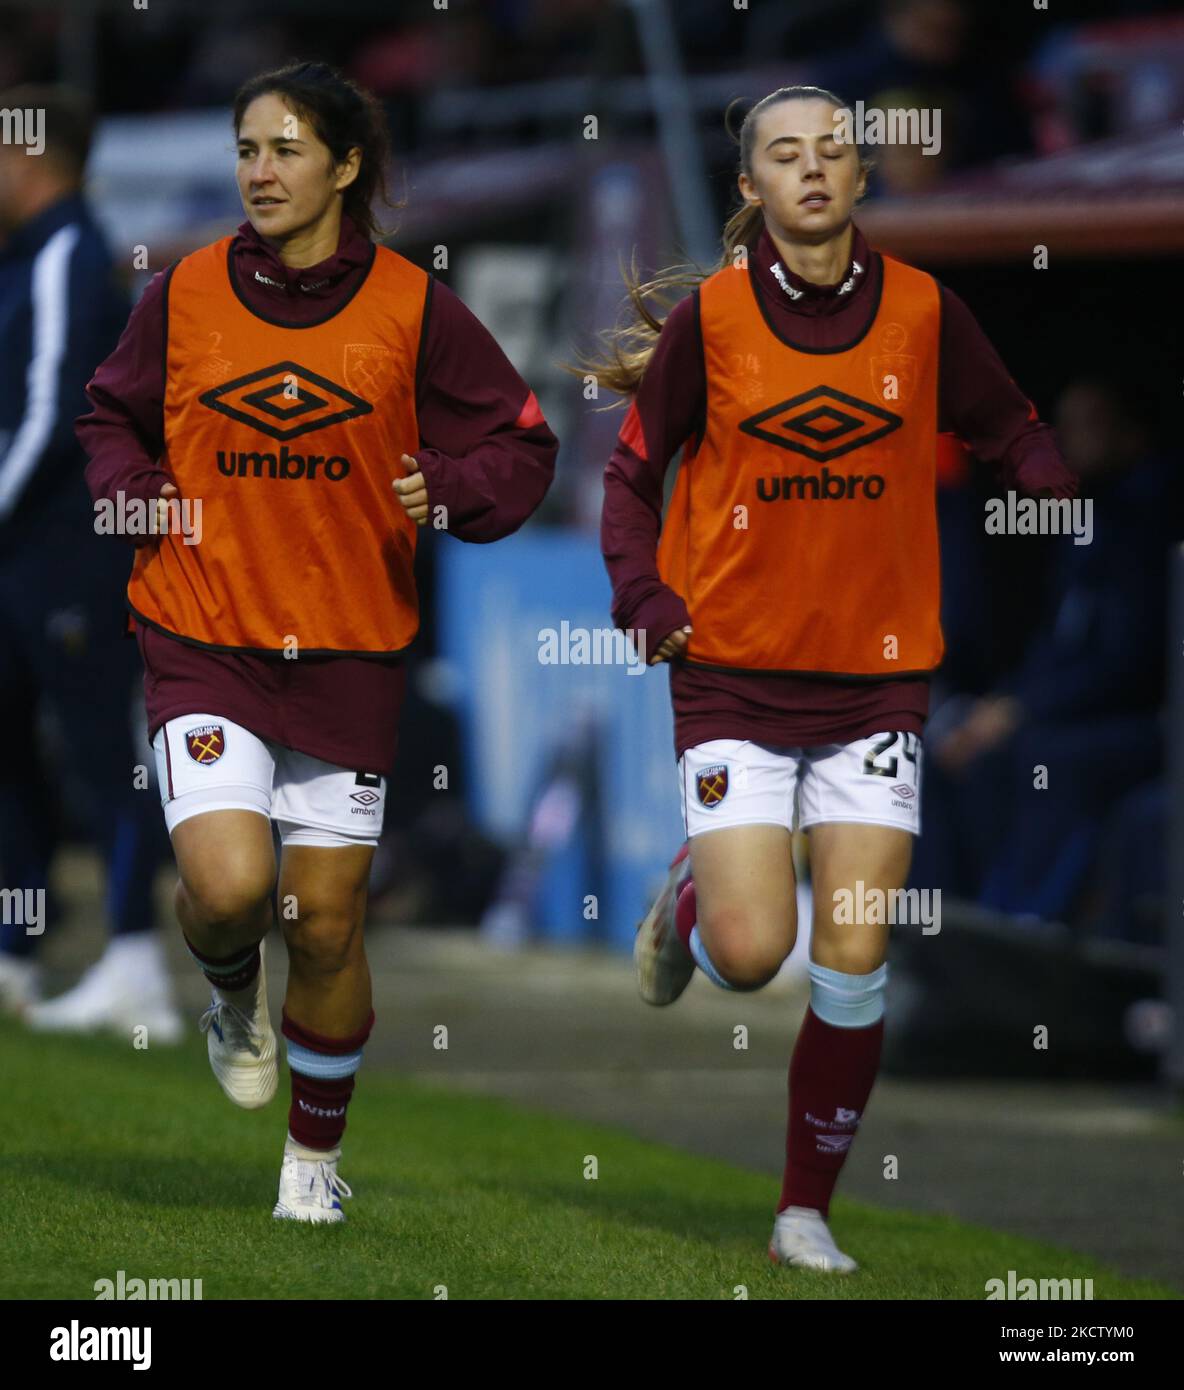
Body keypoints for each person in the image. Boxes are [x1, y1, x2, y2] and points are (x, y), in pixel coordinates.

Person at [591, 85, 1076, 1272]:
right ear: (748, 189)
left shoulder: (922, 311)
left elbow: (1003, 417)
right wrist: (643, 597)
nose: (814, 170)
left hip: (875, 685)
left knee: (852, 951)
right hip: (733, 678)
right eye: (785, 156)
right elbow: (627, 481)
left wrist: (1039, 467)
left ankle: (802, 1209)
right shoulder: (711, 322)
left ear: (861, 178)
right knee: (756, 955)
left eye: (836, 153)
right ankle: (693, 899)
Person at [76, 61, 557, 1222]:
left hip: (348, 647)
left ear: (345, 166)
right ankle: (229, 991)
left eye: (287, 149)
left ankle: (310, 1169)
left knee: (328, 919)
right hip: (204, 629)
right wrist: (135, 488)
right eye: (247, 149)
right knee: (232, 889)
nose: (260, 171)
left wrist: (444, 487)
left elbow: (521, 445)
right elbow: (110, 414)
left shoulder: (415, 308)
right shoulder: (182, 291)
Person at [0, 82, 178, 1038]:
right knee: (9, 748)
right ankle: (15, 947)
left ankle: (137, 959)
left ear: (31, 159)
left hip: (72, 553)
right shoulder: (23, 259)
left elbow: (50, 412)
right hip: (18, 554)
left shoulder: (71, 251)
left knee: (108, 758)